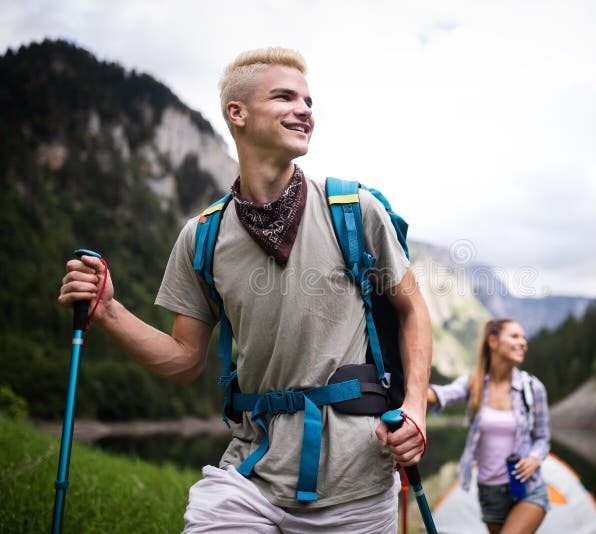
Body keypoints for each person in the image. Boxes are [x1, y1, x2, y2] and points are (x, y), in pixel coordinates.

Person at [58, 47, 432, 533]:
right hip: (249, 473)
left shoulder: (354, 210)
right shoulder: (203, 236)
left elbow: (411, 307)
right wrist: (108, 313)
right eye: (284, 97)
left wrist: (417, 409)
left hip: (355, 480)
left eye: (309, 102)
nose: (304, 110)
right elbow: (183, 360)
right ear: (238, 113)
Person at [428, 318, 550, 533]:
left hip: (527, 488)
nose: (523, 343)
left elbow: (542, 438)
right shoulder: (473, 383)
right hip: (490, 492)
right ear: (493, 341)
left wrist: (534, 458)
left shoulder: (533, 387)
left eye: (524, 337)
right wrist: (410, 389)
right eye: (514, 336)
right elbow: (442, 394)